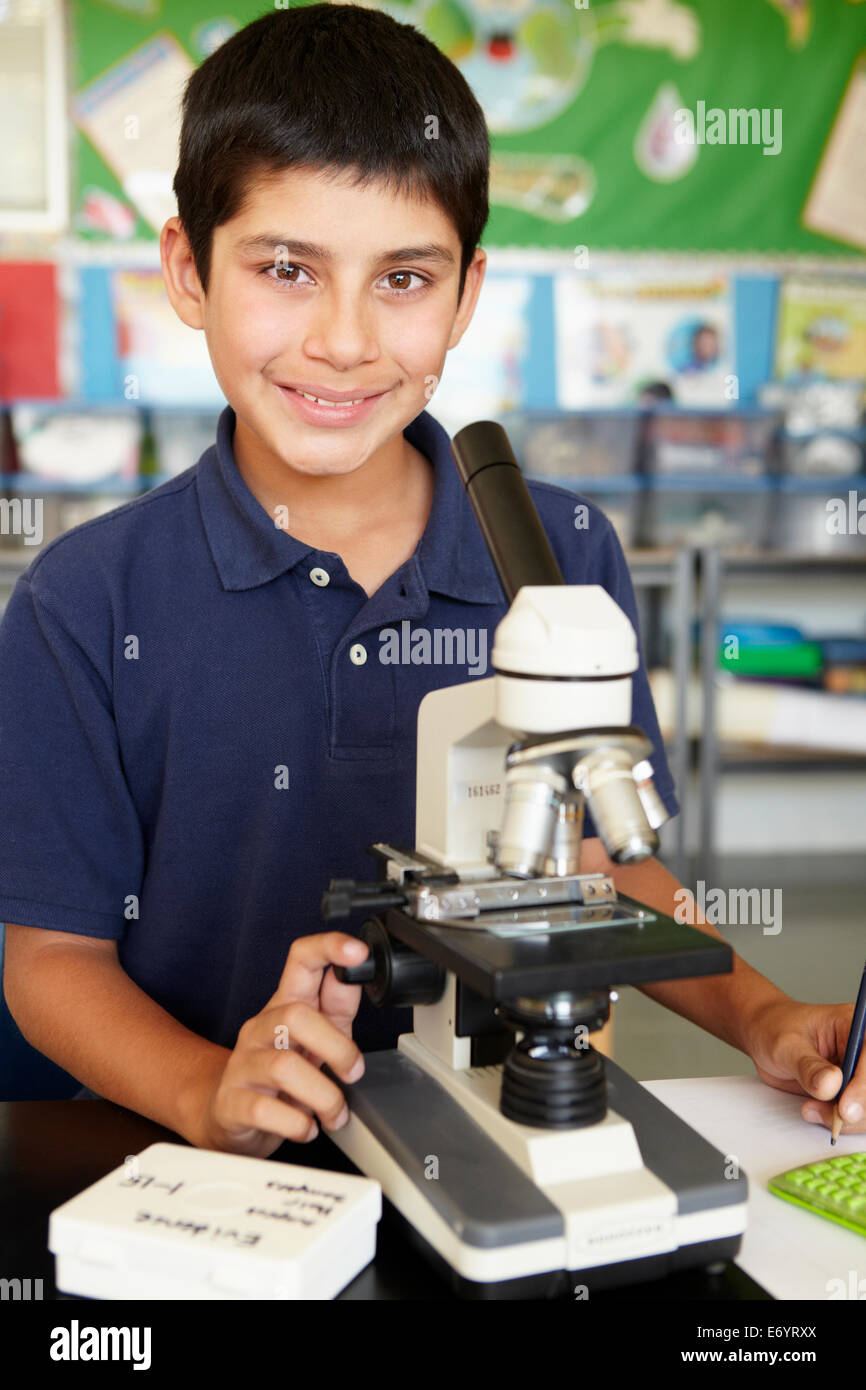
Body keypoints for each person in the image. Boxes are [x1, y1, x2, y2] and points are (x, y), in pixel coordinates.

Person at [2, 5, 862, 1159]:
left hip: (470, 1129)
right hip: (175, 1156)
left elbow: (607, 861)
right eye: (286, 268)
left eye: (403, 277)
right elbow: (51, 960)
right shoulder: (83, 600)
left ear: (464, 296)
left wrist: (764, 1015)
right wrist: (210, 1088)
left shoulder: (561, 557)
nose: (345, 340)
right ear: (188, 270)